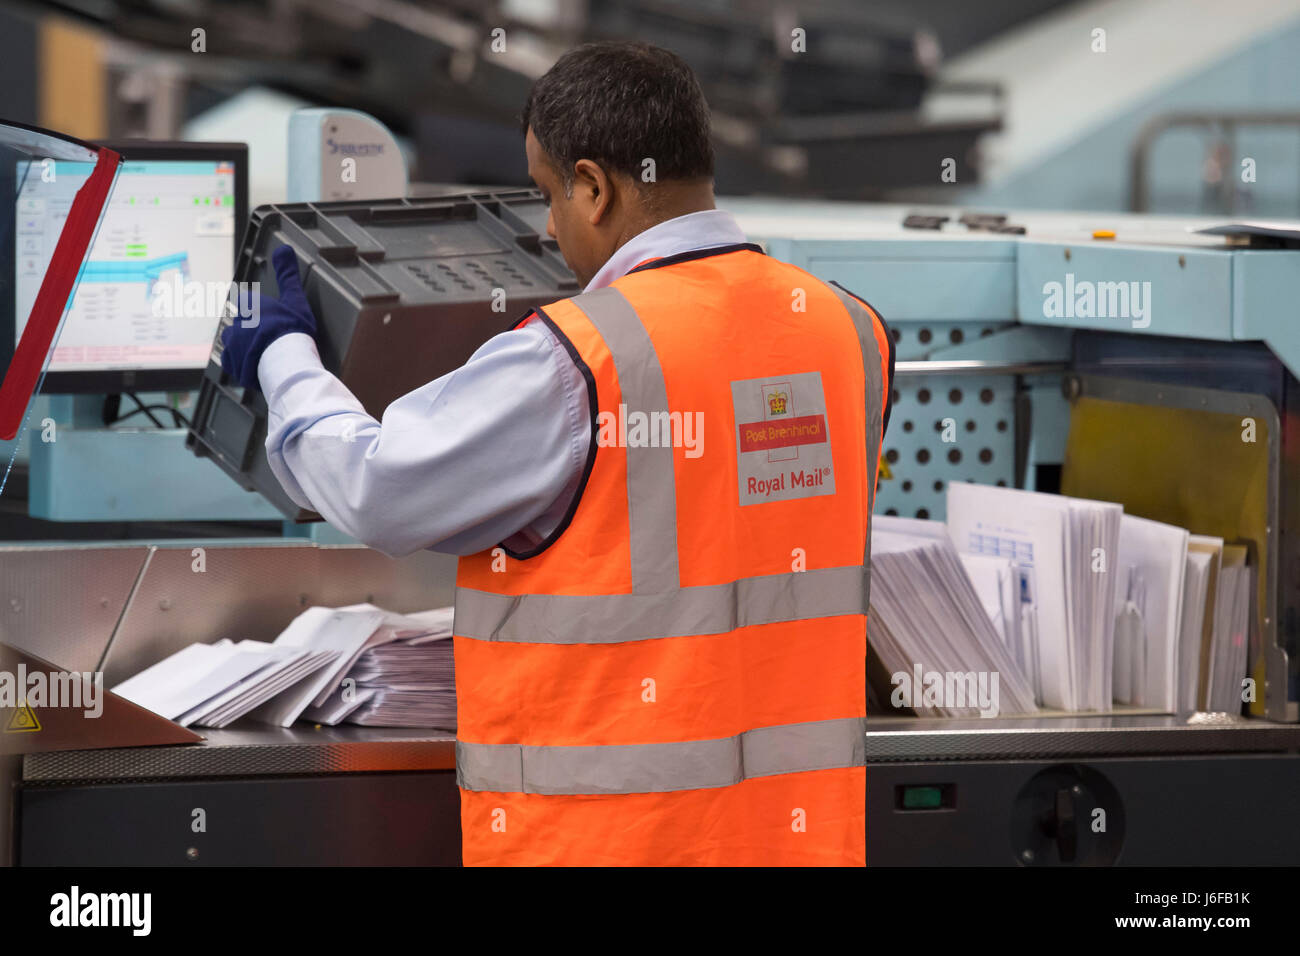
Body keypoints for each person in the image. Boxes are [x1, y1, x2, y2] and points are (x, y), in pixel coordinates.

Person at [220, 40, 894, 866]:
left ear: (595, 187)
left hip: (612, 844)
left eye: (548, 194)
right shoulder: (848, 331)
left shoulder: (578, 356)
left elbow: (376, 488)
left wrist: (282, 358)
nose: (547, 226)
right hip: (802, 843)